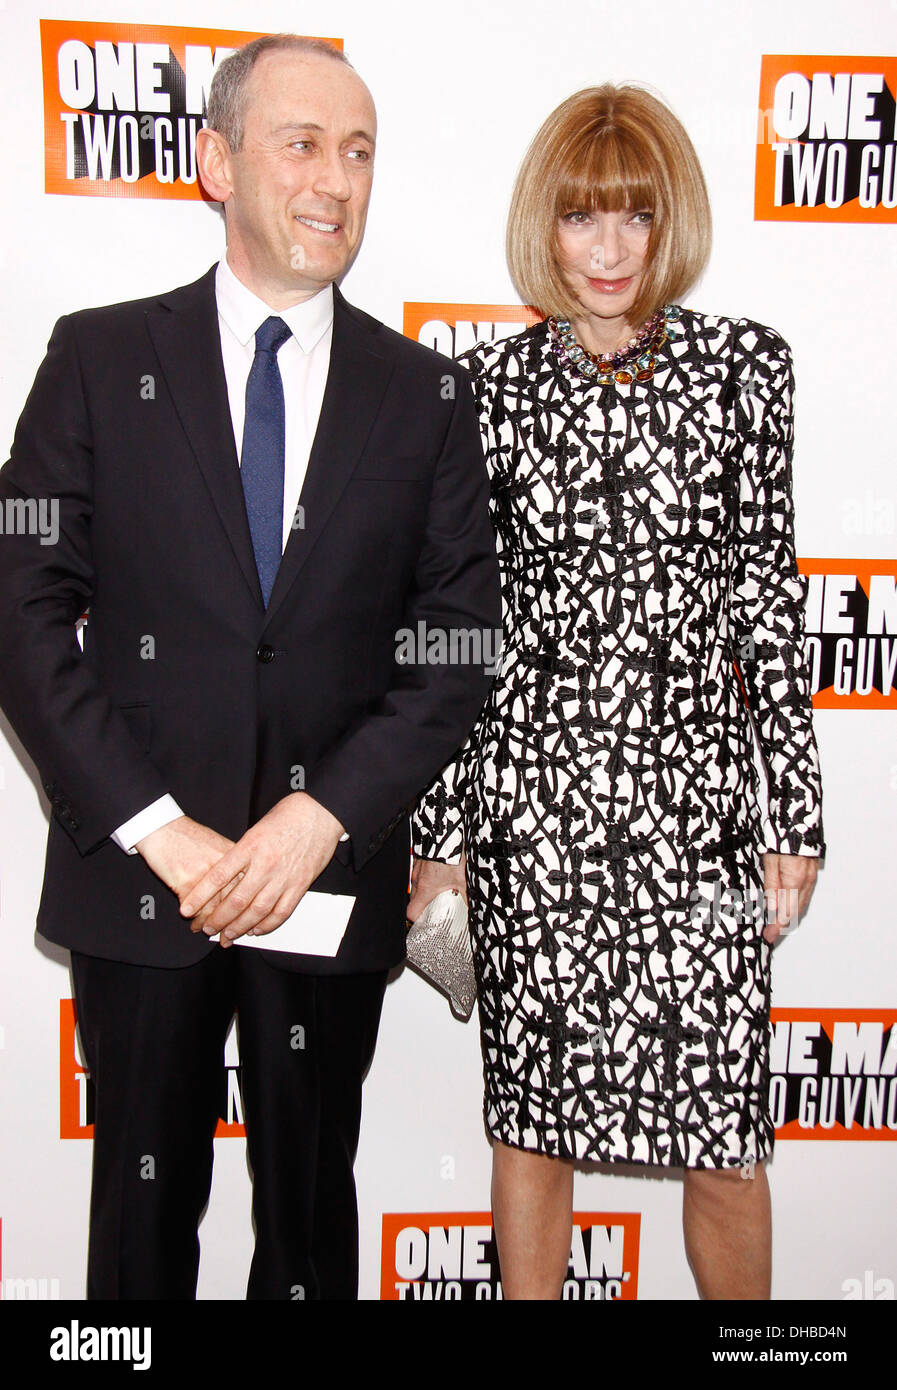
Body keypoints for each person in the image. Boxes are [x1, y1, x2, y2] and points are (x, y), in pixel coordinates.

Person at [0, 34, 499, 1300]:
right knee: (139, 1244)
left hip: (326, 890)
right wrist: (158, 830)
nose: (335, 179)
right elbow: (20, 604)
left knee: (311, 1241)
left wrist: (316, 819)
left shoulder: (427, 396)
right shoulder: (99, 359)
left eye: (359, 150)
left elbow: (451, 647)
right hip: (144, 891)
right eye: (302, 142)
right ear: (216, 160)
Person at [408, 83, 824, 1301]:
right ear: (550, 222)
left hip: (695, 806)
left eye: (635, 218)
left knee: (726, 1137)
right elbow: (456, 631)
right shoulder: (484, 392)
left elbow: (765, 597)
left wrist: (791, 816)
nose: (607, 250)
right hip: (535, 808)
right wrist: (442, 839)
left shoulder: (745, 369)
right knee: (531, 1129)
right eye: (584, 218)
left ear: (669, 224)